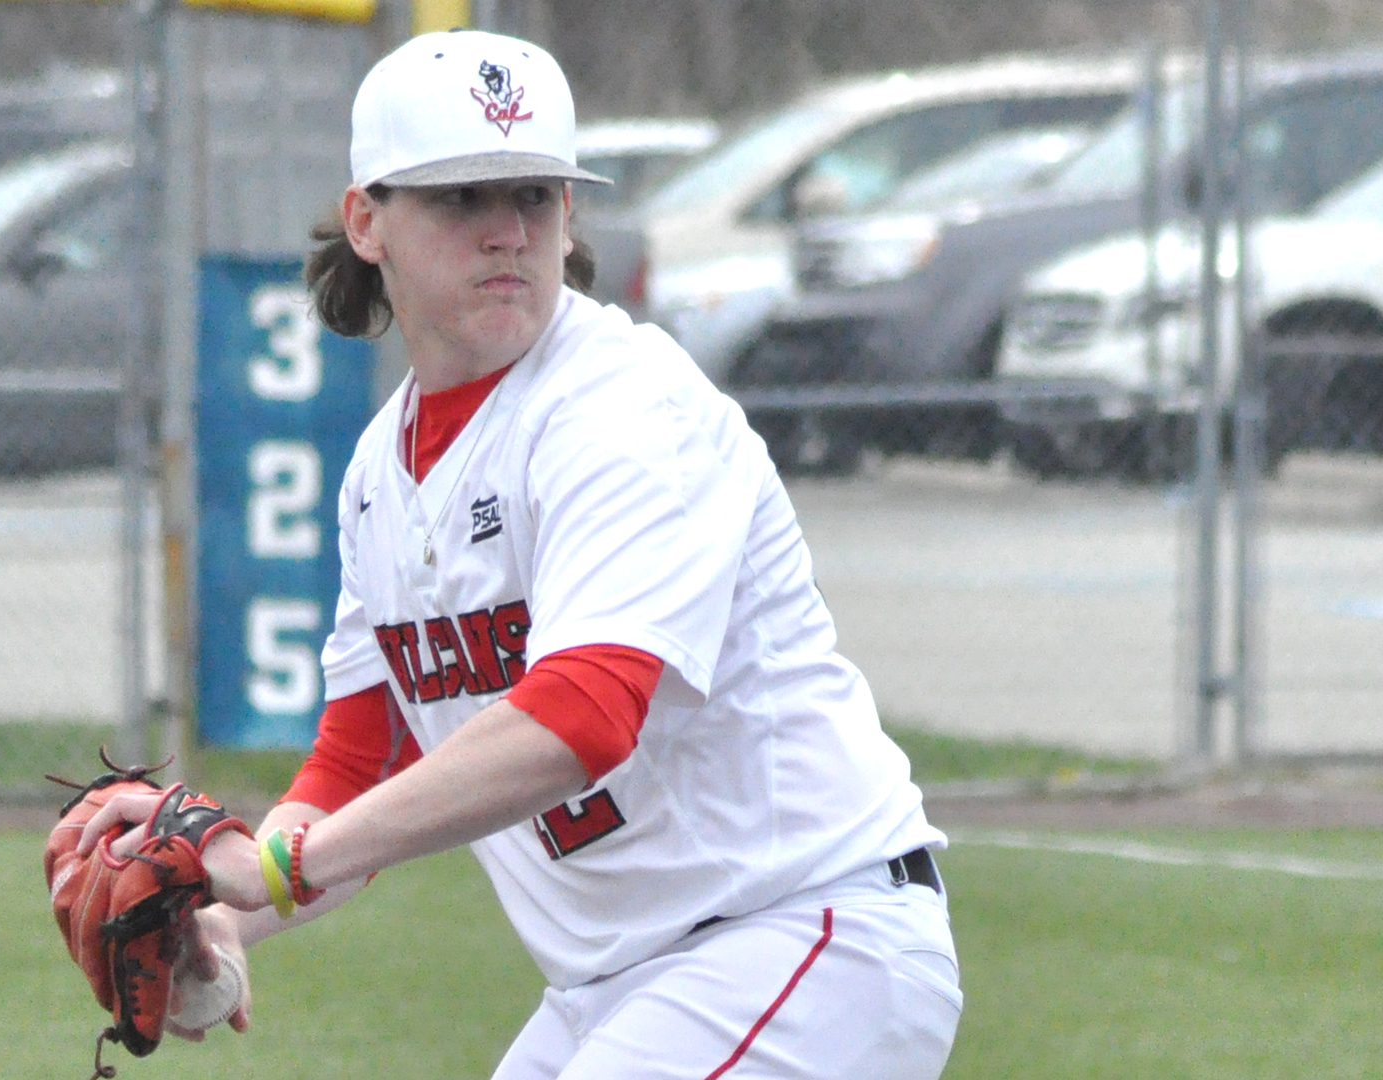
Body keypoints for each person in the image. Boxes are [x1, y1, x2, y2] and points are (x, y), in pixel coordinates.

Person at [79, 28, 962, 1078]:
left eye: (534, 195)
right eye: (463, 198)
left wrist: (269, 867)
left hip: (801, 936)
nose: (507, 231)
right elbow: (362, 764)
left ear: (570, 214)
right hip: (621, 983)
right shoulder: (379, 474)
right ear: (368, 219)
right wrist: (229, 926)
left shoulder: (623, 408)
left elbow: (581, 716)